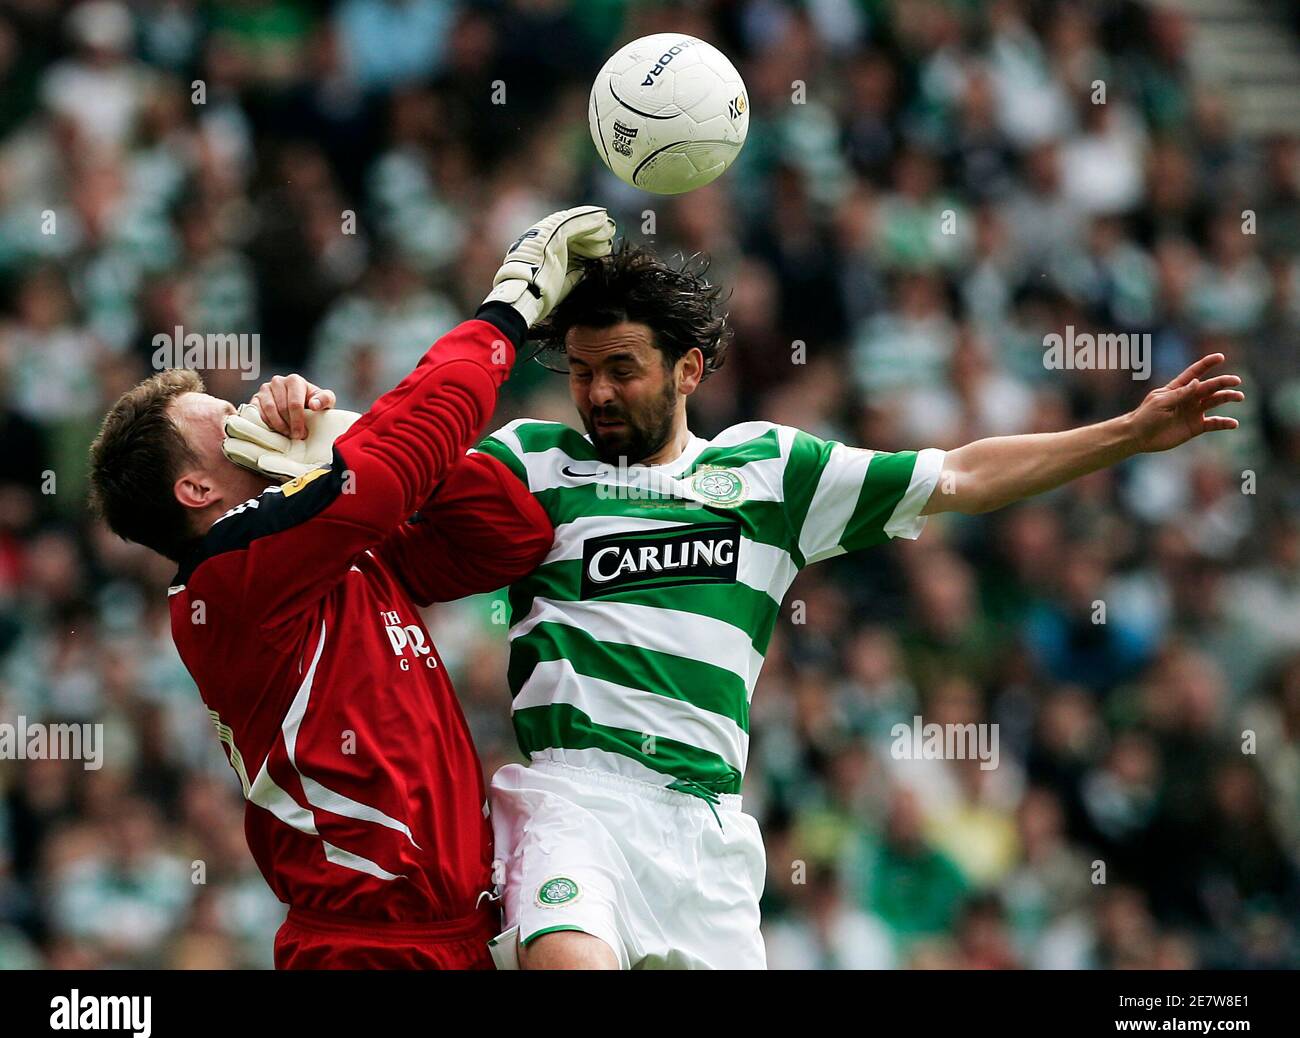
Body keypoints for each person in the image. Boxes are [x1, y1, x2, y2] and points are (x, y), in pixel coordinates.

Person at [469, 242, 1244, 970]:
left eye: (620, 368)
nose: (597, 392)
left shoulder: (769, 471)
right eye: (580, 371)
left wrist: (1128, 434)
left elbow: (963, 476)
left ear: (688, 370)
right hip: (575, 797)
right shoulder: (536, 458)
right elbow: (403, 470)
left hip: (702, 832)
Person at [85, 206, 615, 969]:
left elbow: (510, 534)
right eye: (226, 423)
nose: (247, 421)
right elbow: (392, 470)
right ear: (197, 487)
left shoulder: (320, 555)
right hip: (365, 948)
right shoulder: (229, 577)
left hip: (456, 932)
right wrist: (505, 314)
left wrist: (337, 436)